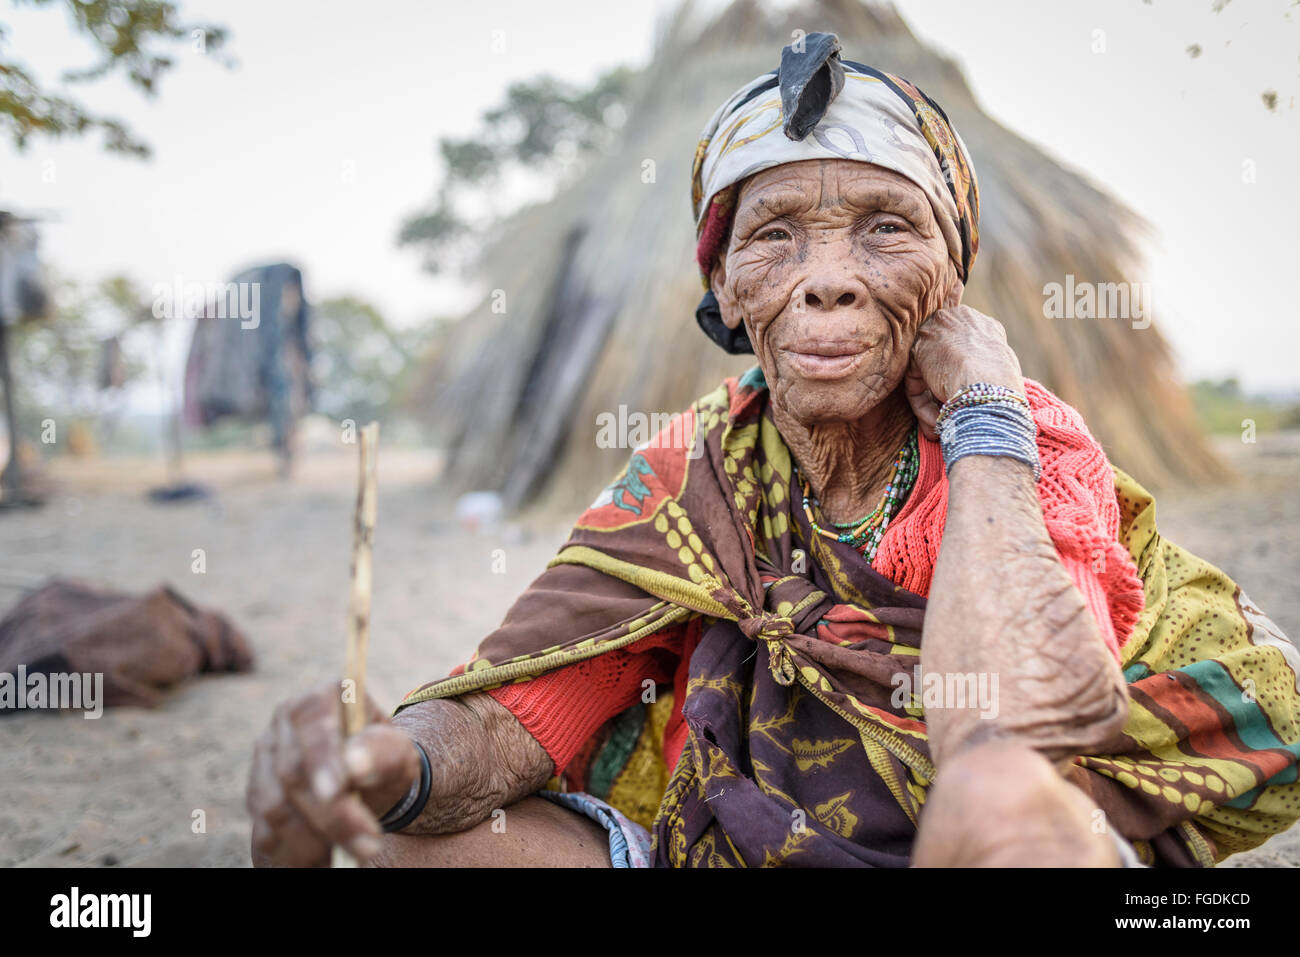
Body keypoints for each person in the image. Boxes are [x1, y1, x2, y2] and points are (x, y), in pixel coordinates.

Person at [247, 34, 1300, 868]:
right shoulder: (696, 466)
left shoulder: (1013, 434)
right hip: (730, 844)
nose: (828, 277)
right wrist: (389, 761)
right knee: (396, 837)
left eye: (886, 228)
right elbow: (528, 707)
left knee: (997, 807)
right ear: (727, 293)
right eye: (776, 234)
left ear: (950, 276)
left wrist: (983, 407)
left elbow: (1012, 730)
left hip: (1009, 831)